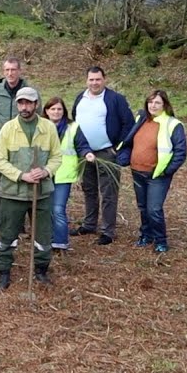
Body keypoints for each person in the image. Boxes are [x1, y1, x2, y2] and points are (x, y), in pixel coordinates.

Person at [0, 88, 61, 289]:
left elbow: (57, 156)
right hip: (13, 193)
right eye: (21, 103)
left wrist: (46, 171)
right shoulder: (8, 129)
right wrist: (22, 176)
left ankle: (41, 270)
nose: (24, 107)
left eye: (29, 103)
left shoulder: (48, 128)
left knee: (43, 235)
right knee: (7, 234)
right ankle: (3, 272)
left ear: (36, 104)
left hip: (41, 193)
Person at [70, 66, 135, 246]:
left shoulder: (115, 99)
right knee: (89, 189)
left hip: (107, 152)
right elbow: (74, 119)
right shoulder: (80, 98)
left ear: (104, 80)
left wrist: (117, 147)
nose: (94, 83)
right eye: (91, 79)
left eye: (98, 79)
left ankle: (108, 230)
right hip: (85, 153)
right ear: (86, 81)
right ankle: (89, 223)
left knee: (108, 192)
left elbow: (128, 124)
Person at [116, 90, 187, 254]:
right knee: (142, 207)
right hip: (137, 171)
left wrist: (167, 171)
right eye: (150, 102)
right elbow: (129, 142)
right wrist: (124, 158)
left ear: (165, 105)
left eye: (157, 103)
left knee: (154, 209)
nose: (153, 106)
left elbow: (180, 152)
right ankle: (146, 235)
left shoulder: (172, 124)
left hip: (157, 175)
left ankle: (161, 240)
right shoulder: (141, 120)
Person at [0, 57, 31, 235]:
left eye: (14, 69)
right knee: (0, 183)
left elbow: (37, 115)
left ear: (19, 71)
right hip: (2, 145)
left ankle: (20, 225)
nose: (10, 73)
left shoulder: (30, 91)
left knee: (22, 181)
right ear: (3, 71)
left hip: (24, 146)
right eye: (7, 70)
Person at [43, 97, 91, 252]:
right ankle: (47, 239)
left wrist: (87, 153)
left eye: (59, 109)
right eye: (53, 109)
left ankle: (60, 242)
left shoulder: (73, 127)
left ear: (64, 111)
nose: (56, 112)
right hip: (45, 174)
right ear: (46, 111)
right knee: (46, 209)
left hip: (63, 174)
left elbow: (82, 145)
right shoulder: (40, 126)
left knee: (58, 209)